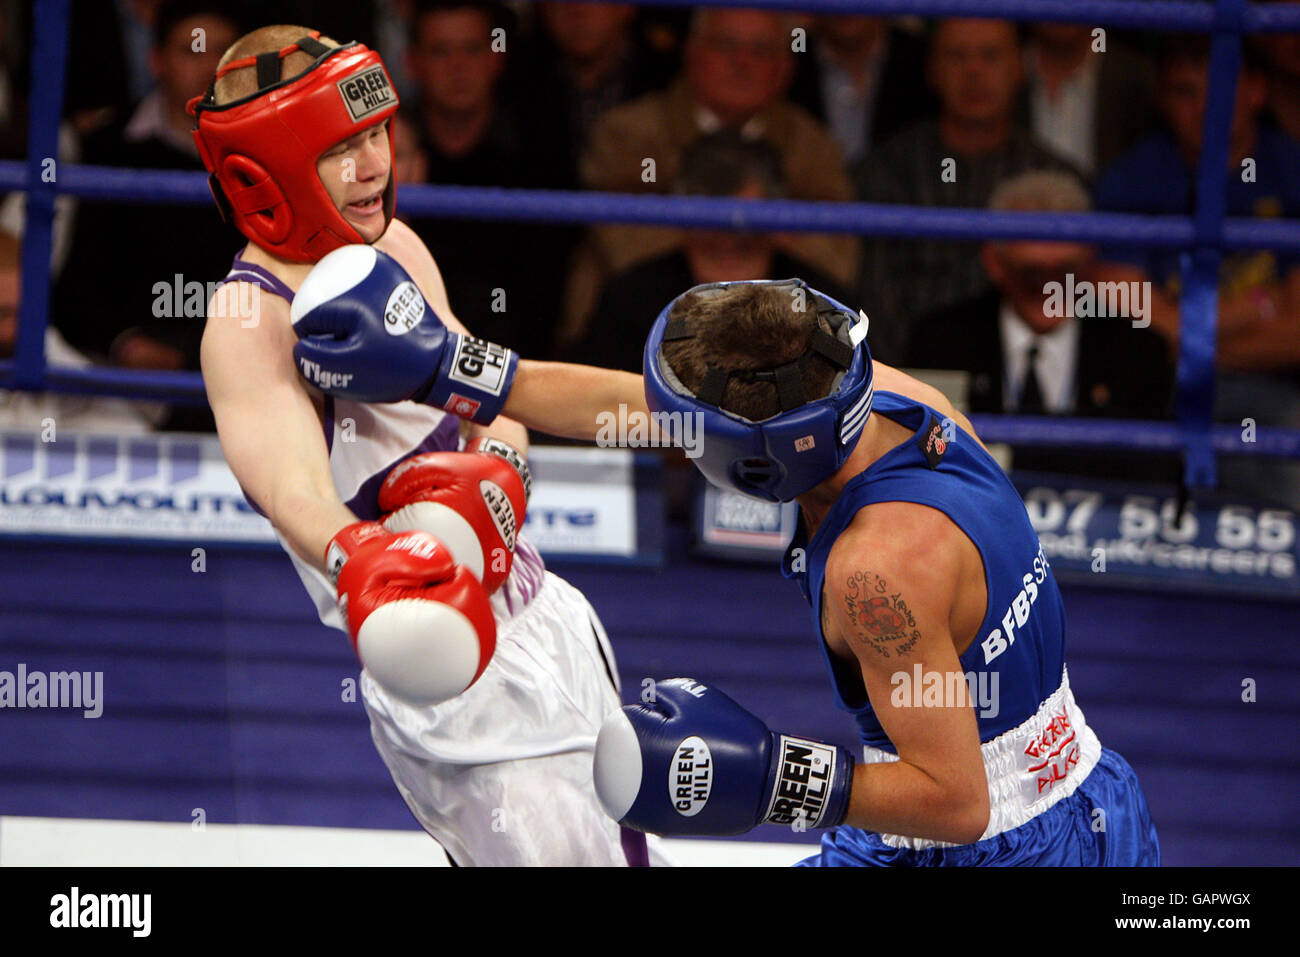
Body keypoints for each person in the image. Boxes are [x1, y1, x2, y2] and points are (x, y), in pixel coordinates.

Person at [191, 24, 667, 866]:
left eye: (378, 132)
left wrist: (504, 475)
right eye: (342, 147)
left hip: (546, 607)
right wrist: (365, 552)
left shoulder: (397, 247)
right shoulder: (245, 321)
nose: (375, 163)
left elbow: (493, 398)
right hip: (450, 664)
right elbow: (293, 492)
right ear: (263, 170)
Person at [590, 279, 1160, 866]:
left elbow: (958, 806)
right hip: (1095, 796)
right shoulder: (885, 397)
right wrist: (504, 380)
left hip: (976, 847)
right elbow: (642, 408)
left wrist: (770, 778)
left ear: (756, 467)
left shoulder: (875, 571)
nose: (678, 445)